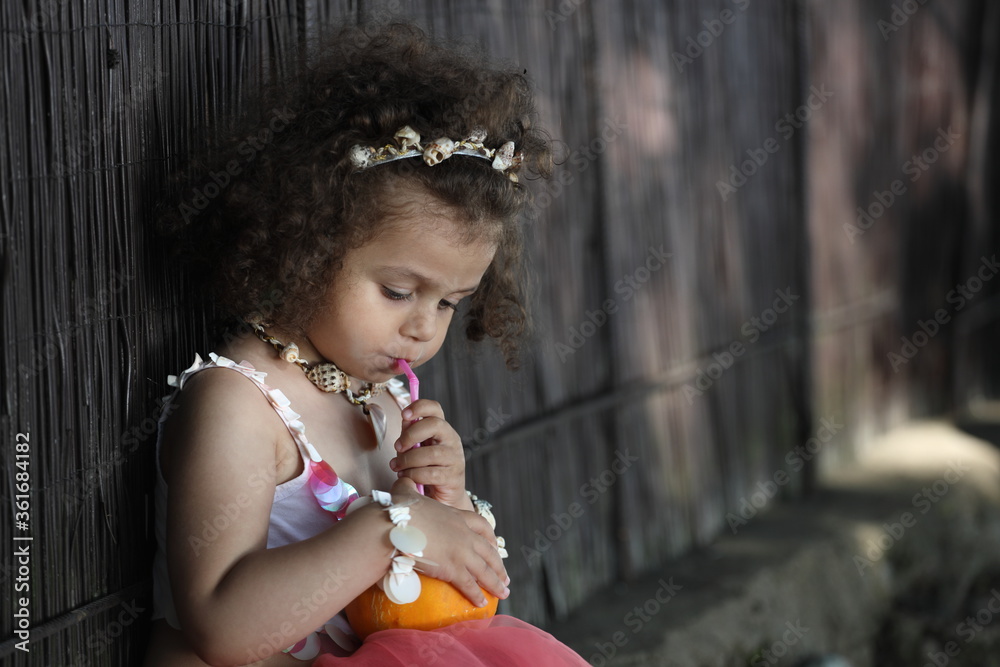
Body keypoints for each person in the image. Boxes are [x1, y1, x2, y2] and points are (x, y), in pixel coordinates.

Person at [143, 20, 589, 666]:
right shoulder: (237, 404)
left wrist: (446, 505)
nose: (423, 327)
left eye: (448, 302)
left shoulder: (385, 403)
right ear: (307, 244)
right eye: (398, 291)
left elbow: (440, 605)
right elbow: (219, 625)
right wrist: (393, 530)